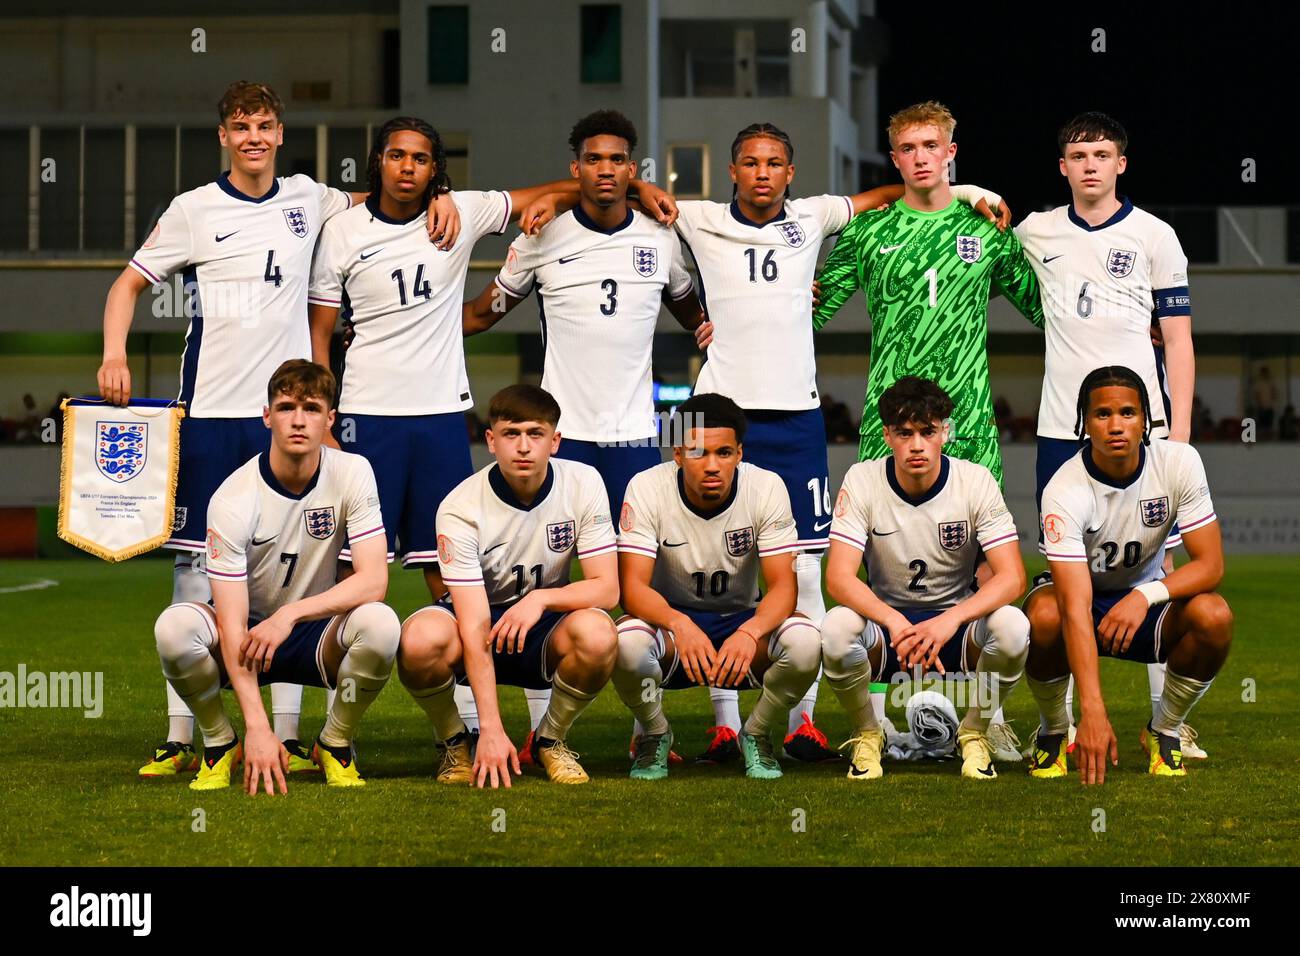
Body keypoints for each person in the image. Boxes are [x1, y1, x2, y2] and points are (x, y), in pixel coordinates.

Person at [97, 81, 458, 778]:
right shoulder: (193, 209)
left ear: (281, 133)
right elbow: (127, 285)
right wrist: (115, 352)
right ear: (224, 136)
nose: (254, 136)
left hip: (292, 416)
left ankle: (289, 734)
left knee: (301, 565)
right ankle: (188, 735)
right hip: (210, 414)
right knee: (193, 569)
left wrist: (439, 191)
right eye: (241, 125)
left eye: (265, 124)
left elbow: (385, 200)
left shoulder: (308, 197)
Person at [460, 110, 703, 760]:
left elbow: (693, 313)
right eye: (593, 159)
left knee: (632, 594)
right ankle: (516, 726)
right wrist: (401, 323)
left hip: (630, 443)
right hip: (558, 445)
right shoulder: (542, 234)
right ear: (576, 169)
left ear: (633, 169)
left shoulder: (660, 236)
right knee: (539, 579)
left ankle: (647, 729)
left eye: (617, 159)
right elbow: (485, 312)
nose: (605, 170)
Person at [812, 101, 1042, 757]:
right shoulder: (867, 233)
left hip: (970, 420)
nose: (919, 156)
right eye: (907, 146)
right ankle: (876, 722)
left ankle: (981, 719)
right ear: (895, 158)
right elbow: (810, 313)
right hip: (888, 422)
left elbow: (1043, 305)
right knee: (875, 569)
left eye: (930, 144)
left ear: (951, 151)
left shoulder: (988, 231)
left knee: (981, 580)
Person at [994, 112, 1203, 757]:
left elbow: (1178, 339)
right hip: (1061, 429)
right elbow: (981, 226)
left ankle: (1165, 725)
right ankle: (1057, 723)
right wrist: (976, 195)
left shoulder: (1156, 235)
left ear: (1121, 164)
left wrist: (1180, 434)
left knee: (1155, 568)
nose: (1090, 164)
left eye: (1102, 154)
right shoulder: (1037, 230)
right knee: (1063, 581)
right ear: (1062, 168)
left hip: (1148, 432)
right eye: (1078, 155)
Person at [151, 360, 399, 792]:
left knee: (381, 623)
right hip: (247, 633)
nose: (298, 420)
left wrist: (290, 616)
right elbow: (230, 623)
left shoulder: (354, 472)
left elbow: (373, 580)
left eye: (311, 408)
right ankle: (219, 742)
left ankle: (335, 742)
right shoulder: (232, 498)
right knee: (174, 627)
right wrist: (259, 728)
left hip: (314, 630)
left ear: (330, 419)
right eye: (286, 408)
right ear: (267, 416)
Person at [396, 385, 619, 787]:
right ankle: (454, 741)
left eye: (535, 434)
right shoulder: (460, 506)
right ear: (490, 441)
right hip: (479, 622)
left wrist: (541, 599)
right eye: (511, 434)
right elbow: (474, 619)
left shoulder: (584, 483)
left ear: (555, 441)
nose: (523, 446)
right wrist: (492, 727)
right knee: (418, 640)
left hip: (543, 624)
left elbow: (607, 589)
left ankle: (549, 741)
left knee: (599, 633)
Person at [1024, 365, 1231, 782]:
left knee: (1214, 616)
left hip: (1145, 603)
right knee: (1043, 616)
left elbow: (1211, 566)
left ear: (1146, 419)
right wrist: (1092, 710)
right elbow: (1073, 602)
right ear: (1083, 423)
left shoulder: (1179, 462)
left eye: (1128, 413)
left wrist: (1145, 597)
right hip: (1080, 603)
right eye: (1102, 414)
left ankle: (1165, 730)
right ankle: (1055, 731)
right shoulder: (1063, 489)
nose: (1116, 425)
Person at [820, 377, 1030, 781]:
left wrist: (950, 620)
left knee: (1013, 626)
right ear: (886, 435)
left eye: (927, 431)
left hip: (955, 632)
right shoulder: (863, 479)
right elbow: (839, 579)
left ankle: (973, 733)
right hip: (890, 633)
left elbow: (1012, 578)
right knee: (835, 628)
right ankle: (868, 733)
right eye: (904, 433)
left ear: (945, 432)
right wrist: (896, 622)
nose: (916, 444)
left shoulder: (974, 481)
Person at [612, 393, 820, 780]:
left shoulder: (767, 487)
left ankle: (755, 733)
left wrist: (751, 631)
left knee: (807, 641)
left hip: (740, 622)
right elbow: (632, 588)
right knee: (623, 642)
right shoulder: (646, 487)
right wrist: (678, 624)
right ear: (677, 453)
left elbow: (782, 589)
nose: (712, 466)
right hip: (670, 630)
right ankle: (654, 733)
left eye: (724, 453)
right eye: (698, 452)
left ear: (739, 453)